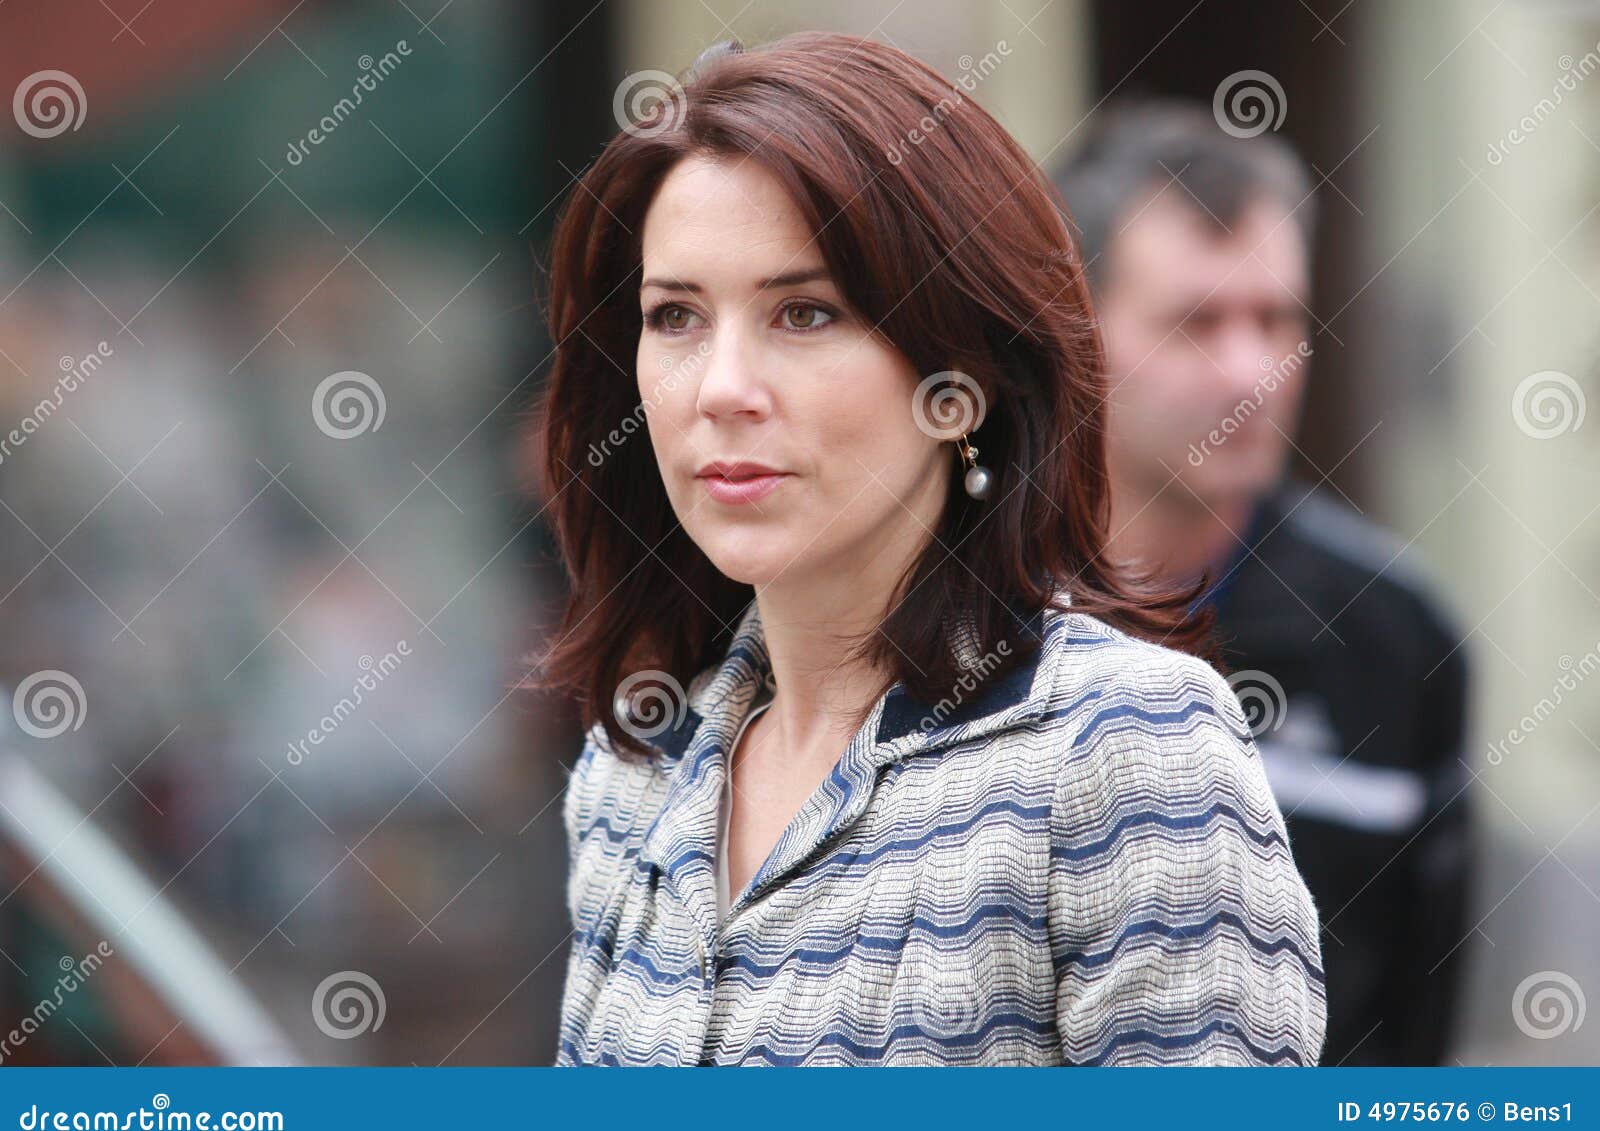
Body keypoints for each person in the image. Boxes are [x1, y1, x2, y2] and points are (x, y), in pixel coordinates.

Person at [526, 34, 1326, 1066]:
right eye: (674, 315)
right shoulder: (635, 762)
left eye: (802, 312)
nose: (721, 386)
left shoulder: (1125, 748)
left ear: (963, 373)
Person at [1053, 102, 1474, 1065]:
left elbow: (1416, 1041)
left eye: (1275, 318)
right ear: (1077, 327)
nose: (1249, 370)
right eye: (1196, 321)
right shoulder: (965, 616)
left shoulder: (1397, 640)